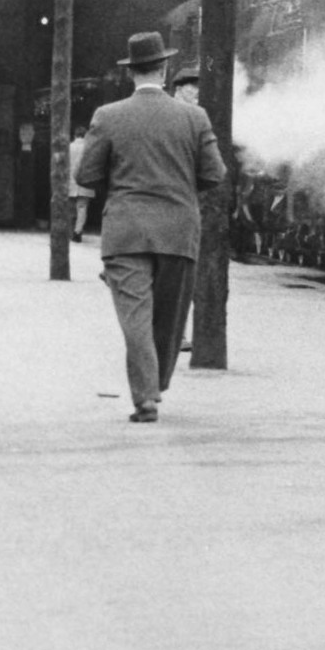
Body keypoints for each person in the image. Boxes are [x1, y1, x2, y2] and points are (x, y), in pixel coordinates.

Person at [73, 30, 227, 423]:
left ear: (130, 73)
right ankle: (154, 385)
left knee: (136, 317)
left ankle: (147, 396)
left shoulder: (107, 116)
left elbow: (86, 175)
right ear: (164, 68)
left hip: (125, 232)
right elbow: (215, 174)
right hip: (178, 230)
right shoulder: (194, 117)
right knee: (169, 317)